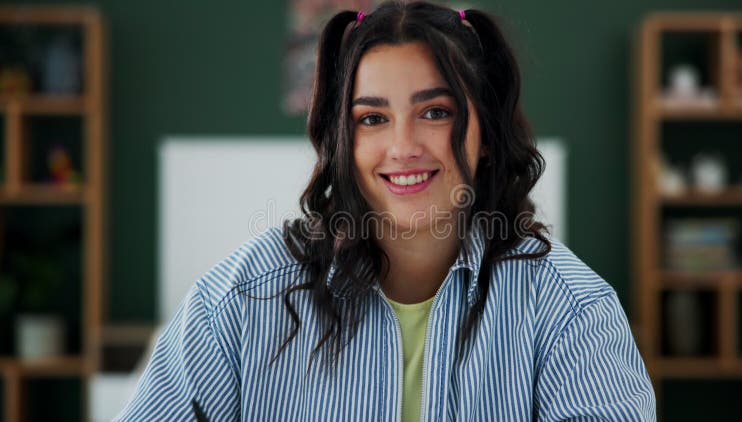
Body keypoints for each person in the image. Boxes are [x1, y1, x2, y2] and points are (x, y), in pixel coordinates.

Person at [116, 1, 656, 420]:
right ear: (341, 141)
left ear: (486, 133)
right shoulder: (238, 300)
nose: (403, 146)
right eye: (372, 118)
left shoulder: (572, 313)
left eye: (436, 112)